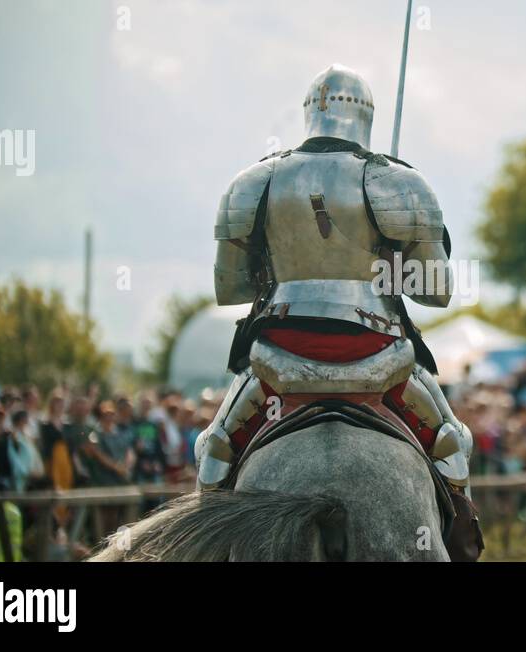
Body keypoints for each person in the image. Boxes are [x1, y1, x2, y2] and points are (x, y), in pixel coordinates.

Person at [193, 64, 481, 559]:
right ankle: (460, 543)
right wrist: (392, 254)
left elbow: (233, 288)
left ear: (309, 113)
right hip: (380, 356)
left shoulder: (254, 182)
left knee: (215, 451)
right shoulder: (398, 181)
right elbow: (436, 293)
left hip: (278, 361)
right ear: (367, 117)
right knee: (452, 444)